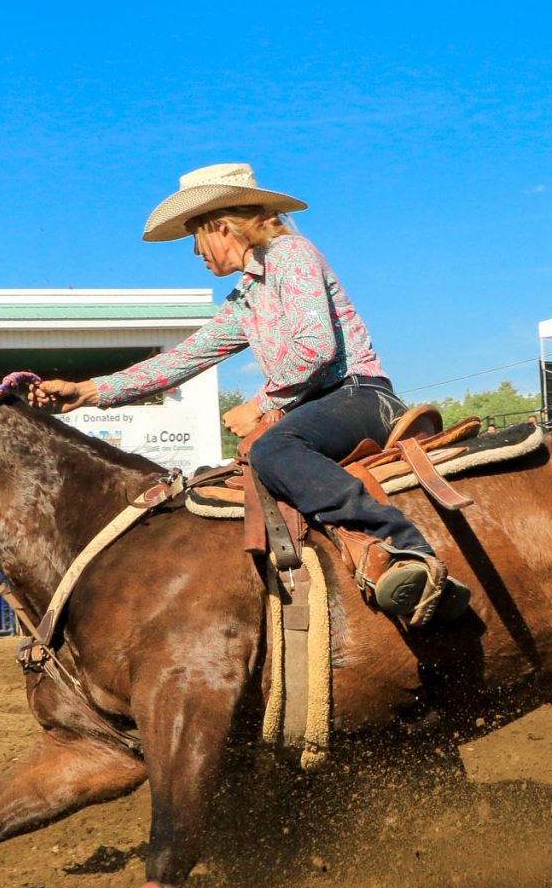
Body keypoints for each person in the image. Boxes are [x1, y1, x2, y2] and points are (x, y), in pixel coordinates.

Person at [33, 163, 469, 626]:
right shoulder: (245, 298)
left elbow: (316, 346)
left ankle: (402, 545)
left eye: (195, 237)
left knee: (273, 447)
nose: (196, 252)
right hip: (320, 406)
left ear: (219, 227)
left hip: (359, 395)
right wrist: (89, 390)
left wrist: (263, 404)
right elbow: (182, 359)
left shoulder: (291, 255)